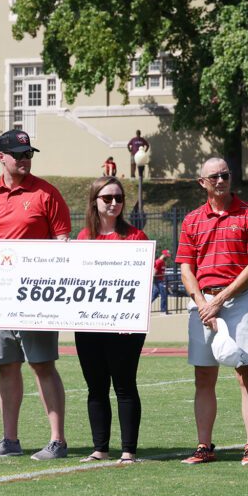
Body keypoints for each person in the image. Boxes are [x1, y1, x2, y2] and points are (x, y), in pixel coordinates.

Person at [0, 129, 72, 460]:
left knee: (42, 364)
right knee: (6, 365)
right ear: (2, 157)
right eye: (19, 154)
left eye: (29, 153)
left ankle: (57, 440)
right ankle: (10, 440)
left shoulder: (47, 193)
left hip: (36, 293)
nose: (25, 159)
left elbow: (62, 240)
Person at [175, 158, 248, 466]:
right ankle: (204, 446)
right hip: (203, 303)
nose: (221, 180)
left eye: (225, 174)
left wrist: (222, 298)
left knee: (247, 374)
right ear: (202, 182)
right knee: (203, 376)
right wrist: (203, 301)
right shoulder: (192, 220)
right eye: (214, 176)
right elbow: (186, 268)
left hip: (239, 301)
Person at [75, 176, 148, 464]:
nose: (114, 203)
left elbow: (142, 284)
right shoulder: (83, 238)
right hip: (89, 326)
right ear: (95, 200)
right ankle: (100, 448)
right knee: (95, 387)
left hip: (124, 328)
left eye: (119, 198)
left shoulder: (135, 237)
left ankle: (128, 450)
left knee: (125, 385)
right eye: (107, 198)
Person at [151, 250, 169, 314]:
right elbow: (154, 271)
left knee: (154, 295)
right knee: (163, 295)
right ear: (163, 255)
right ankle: (163, 310)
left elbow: (163, 272)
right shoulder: (158, 261)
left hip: (160, 280)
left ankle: (145, 307)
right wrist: (153, 279)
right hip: (158, 280)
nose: (167, 257)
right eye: (166, 256)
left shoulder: (163, 262)